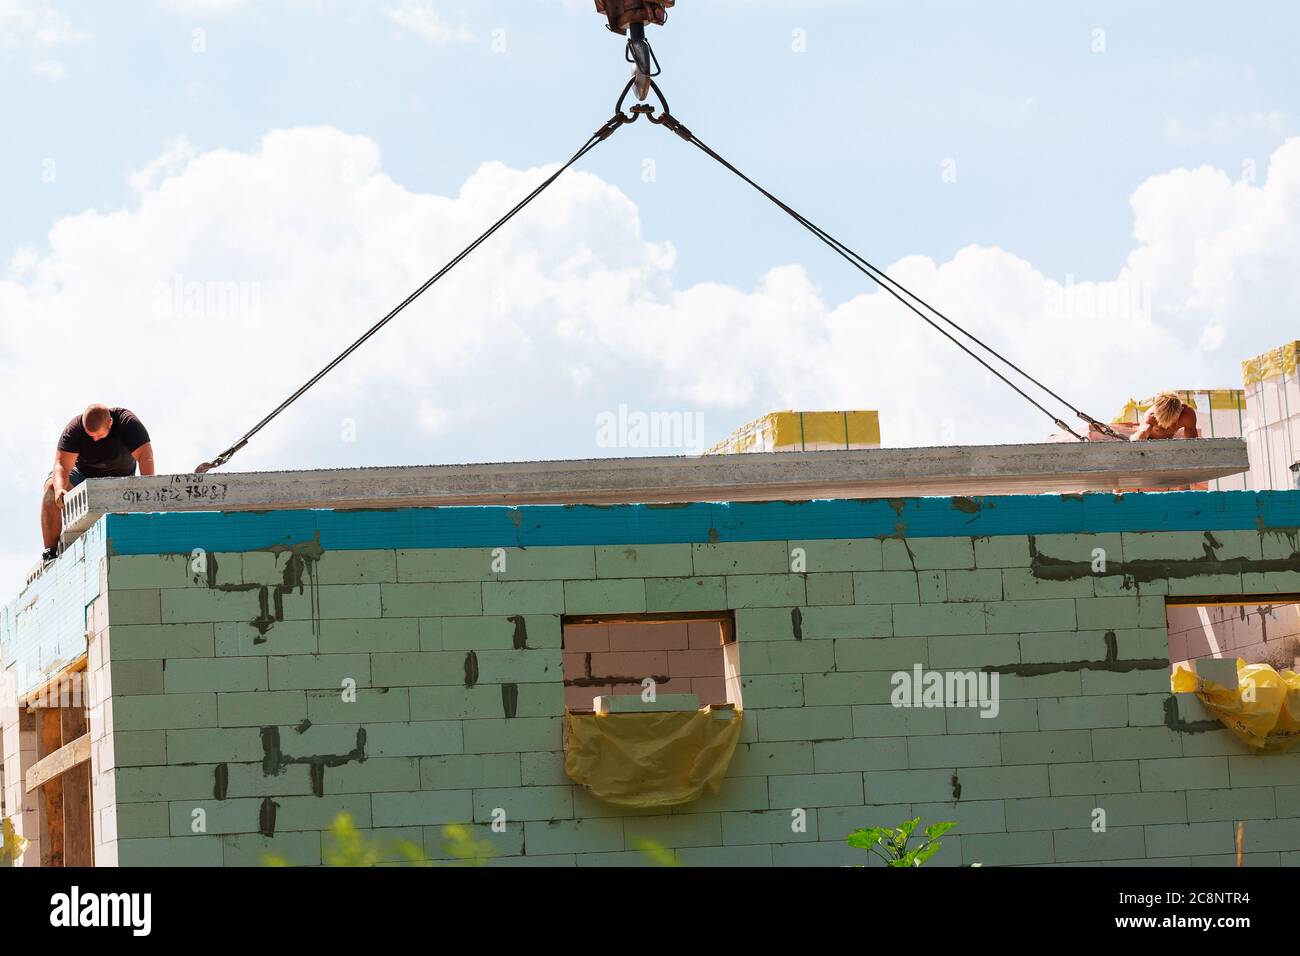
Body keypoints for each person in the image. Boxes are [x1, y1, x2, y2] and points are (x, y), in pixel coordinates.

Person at [41, 405, 155, 561]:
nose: (94, 439)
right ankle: (50, 552)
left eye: (98, 435)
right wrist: (60, 489)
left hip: (122, 479)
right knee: (50, 489)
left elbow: (145, 455)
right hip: (83, 477)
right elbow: (61, 464)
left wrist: (147, 495)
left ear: (110, 423)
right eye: (90, 435)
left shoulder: (128, 423)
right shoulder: (75, 429)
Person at [1131, 391, 1199, 441]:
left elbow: (1193, 441)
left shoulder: (1187, 414)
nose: (1169, 426)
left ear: (1181, 410)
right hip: (1149, 442)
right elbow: (1139, 438)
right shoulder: (1150, 418)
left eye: (1172, 420)